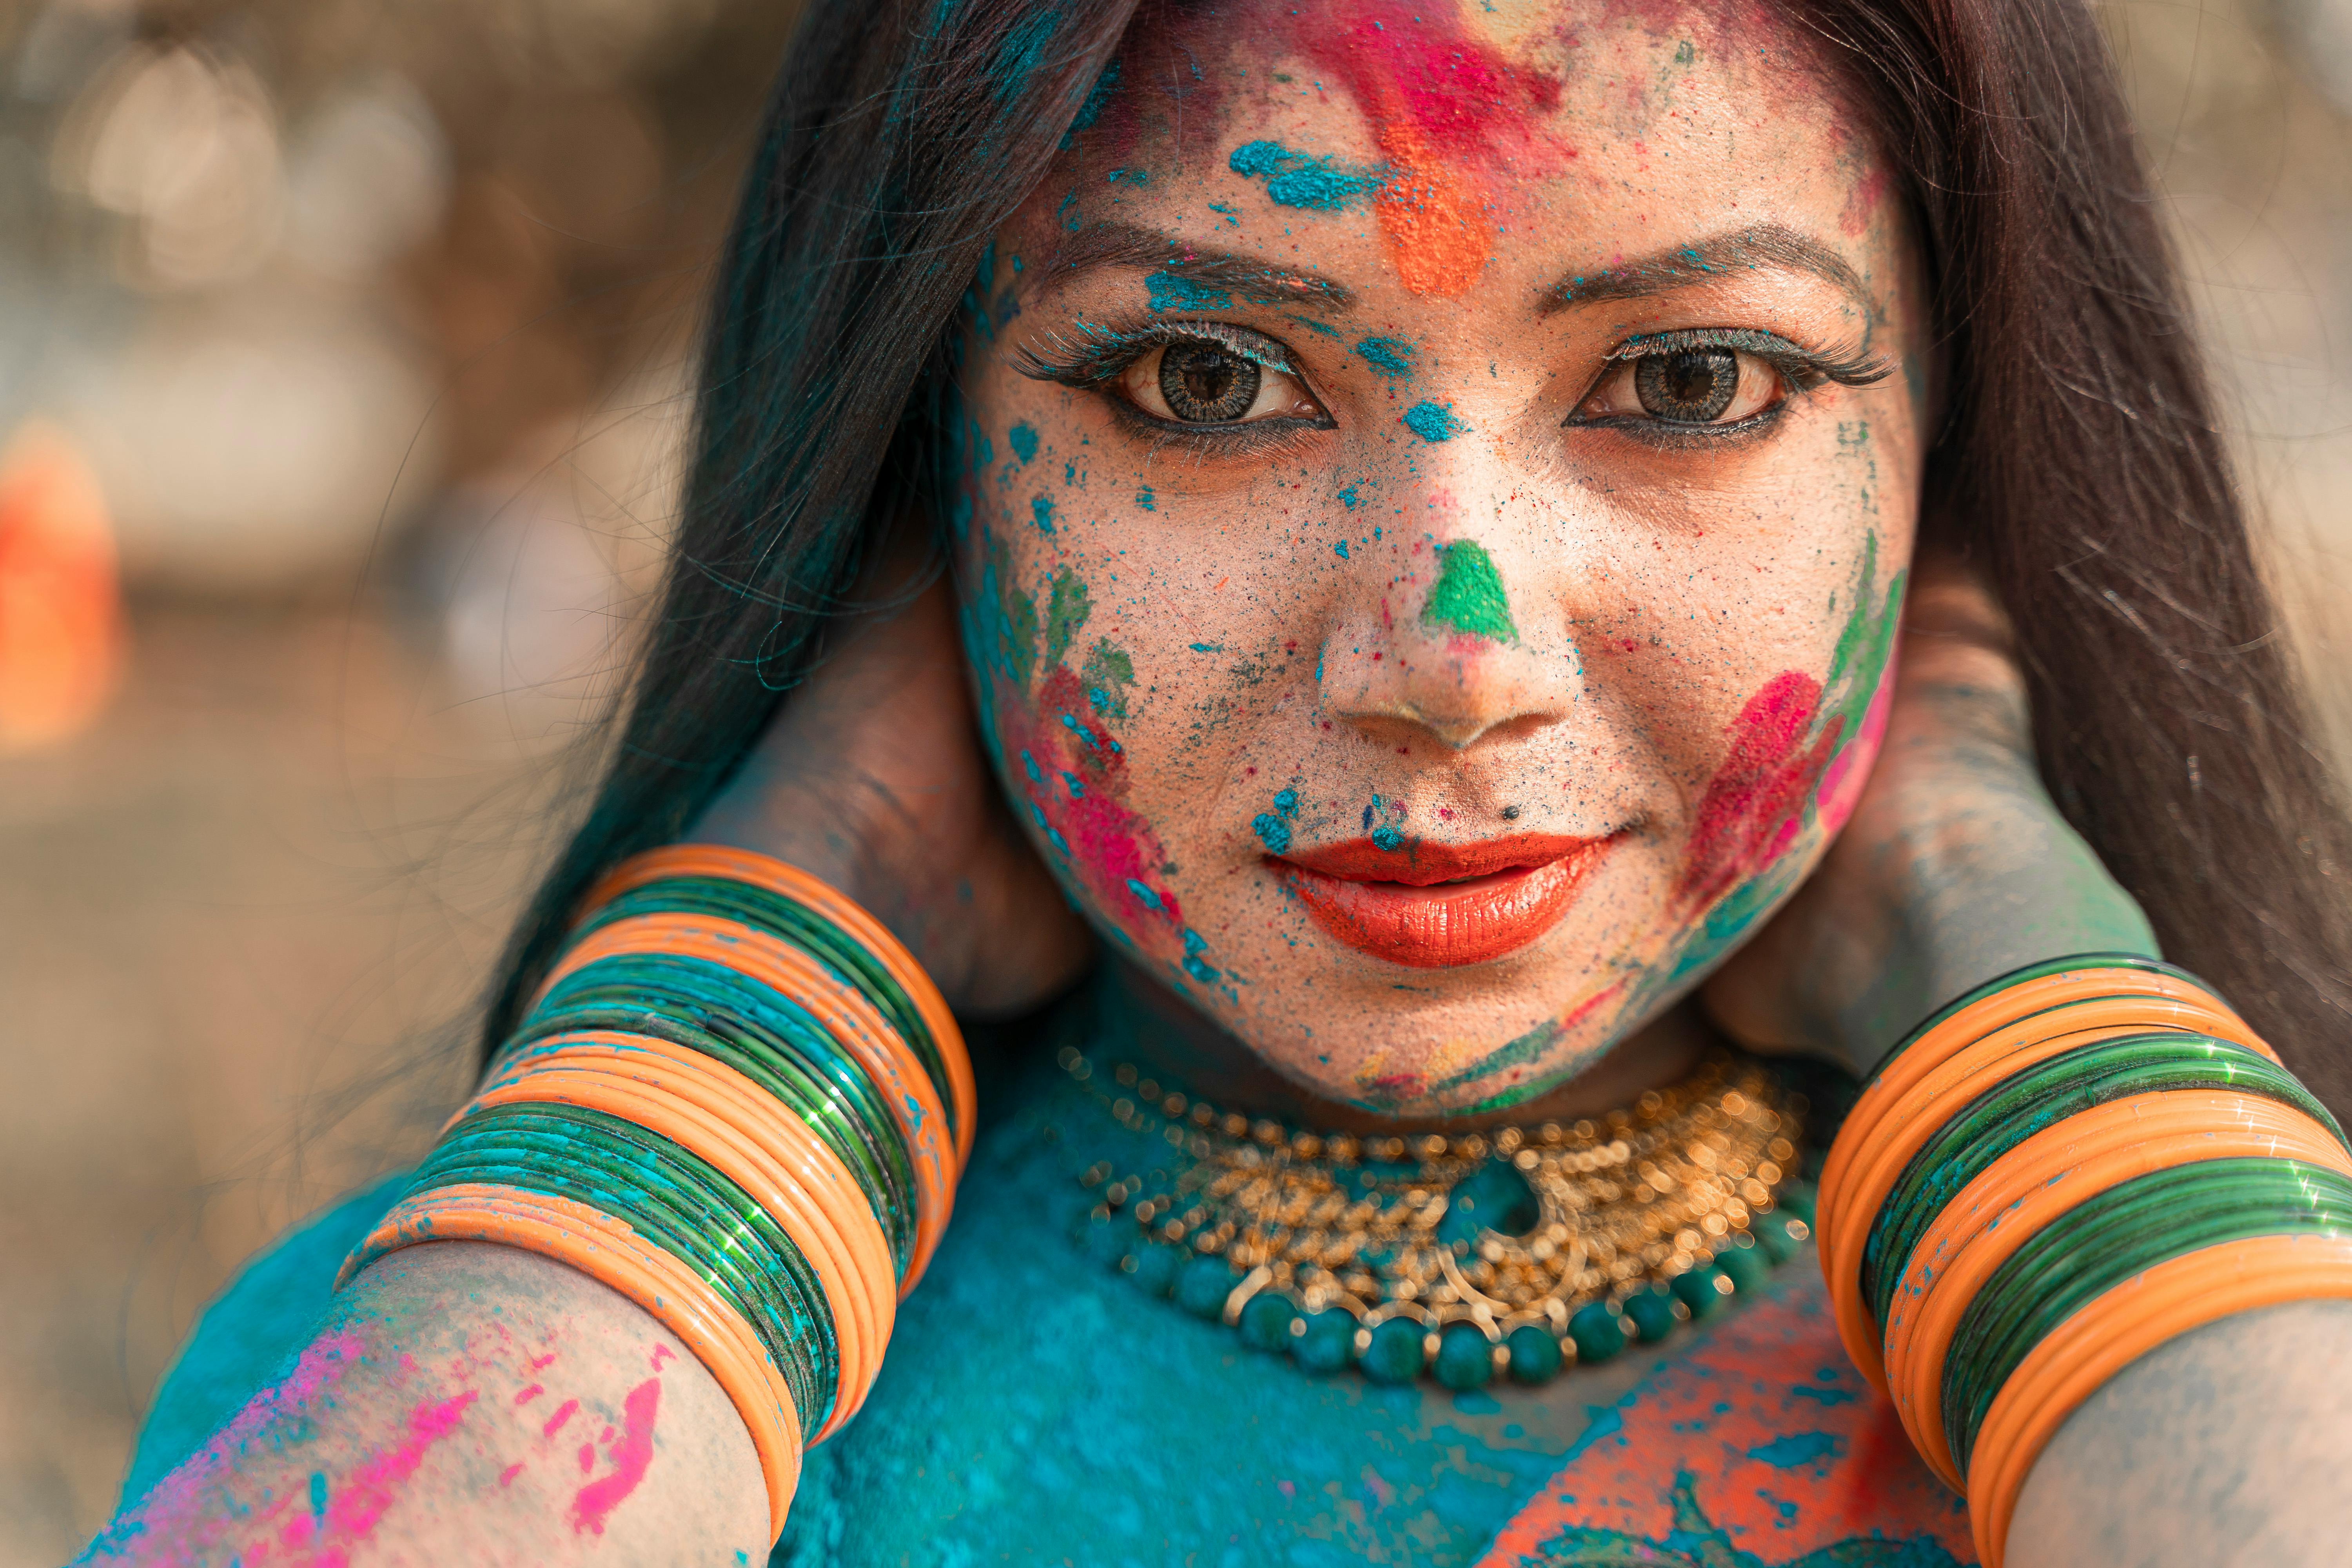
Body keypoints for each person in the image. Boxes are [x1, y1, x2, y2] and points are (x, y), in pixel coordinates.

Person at [82, 0, 2352, 1564]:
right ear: (926, 453)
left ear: (1952, 439)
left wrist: (2002, 949)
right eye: (1200, 380)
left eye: (1685, 380)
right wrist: (793, 932)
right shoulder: (463, 1366)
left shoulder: (2222, 1364)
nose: (1451, 661)